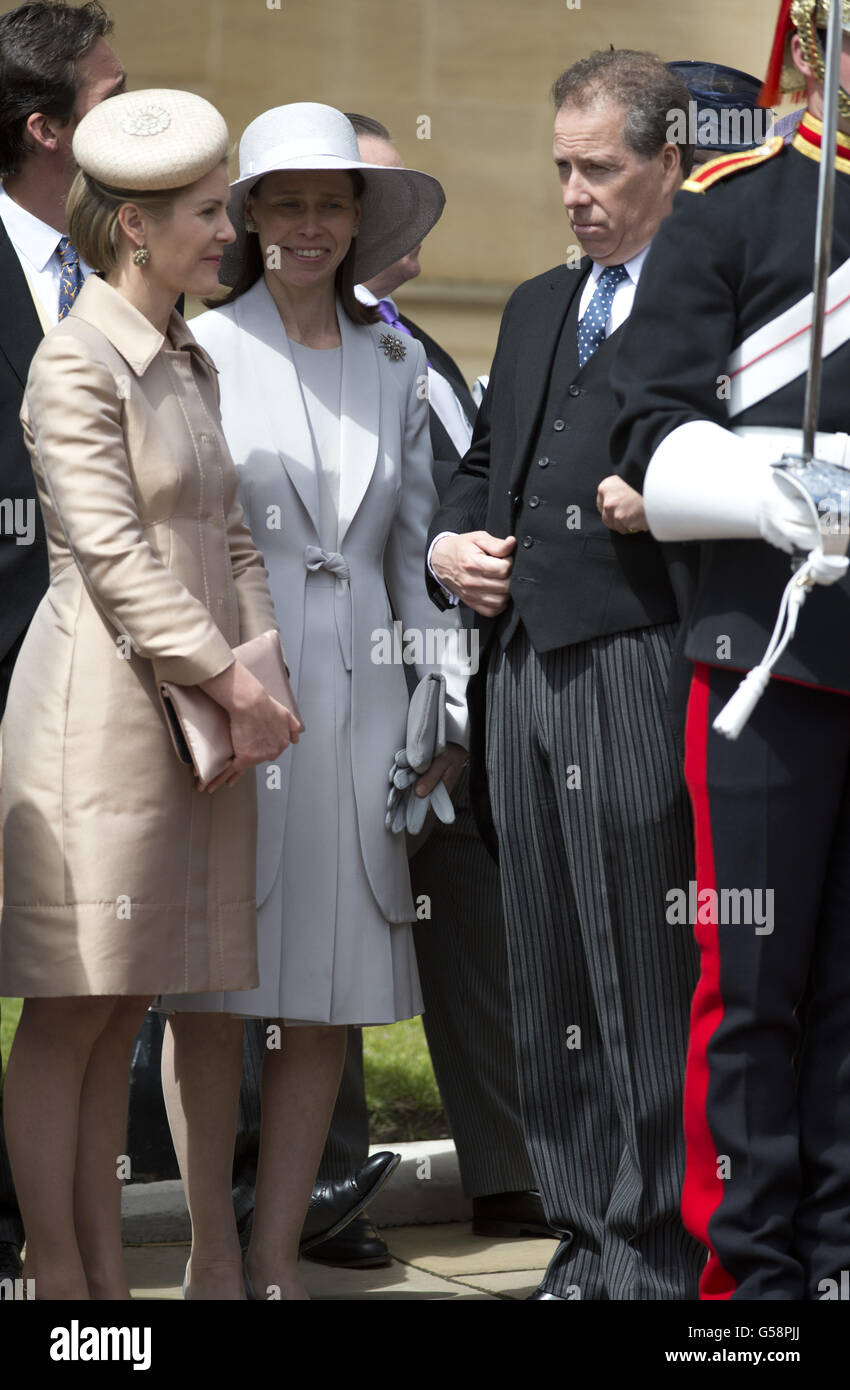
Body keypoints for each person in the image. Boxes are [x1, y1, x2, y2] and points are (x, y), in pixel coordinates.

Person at [157, 102, 470, 1302]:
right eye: (283, 202)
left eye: (329, 203)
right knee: (213, 993)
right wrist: (212, 686)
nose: (308, 225)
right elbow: (179, 544)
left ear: (359, 218)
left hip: (369, 710)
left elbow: (411, 557)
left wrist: (442, 706)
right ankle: (211, 1257)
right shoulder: (200, 347)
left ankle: (280, 1260)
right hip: (242, 694)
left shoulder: (395, 358)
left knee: (329, 1001)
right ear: (246, 217)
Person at [0, 86, 298, 1301]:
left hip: (192, 711)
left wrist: (262, 669)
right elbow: (114, 556)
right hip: (101, 717)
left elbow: (228, 534)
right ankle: (62, 1280)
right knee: (74, 1005)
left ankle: (107, 1288)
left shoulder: (184, 354)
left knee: (125, 1005)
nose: (230, 231)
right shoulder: (77, 361)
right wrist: (228, 678)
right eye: (209, 212)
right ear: (135, 227)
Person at [427, 50, 705, 1301]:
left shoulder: (714, 298)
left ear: (668, 164)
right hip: (520, 675)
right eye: (561, 168)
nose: (575, 193)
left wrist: (670, 499)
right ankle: (583, 1234)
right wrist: (447, 543)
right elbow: (484, 459)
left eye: (600, 168)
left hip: (637, 665)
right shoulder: (542, 301)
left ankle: (654, 1242)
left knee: (638, 964)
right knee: (546, 965)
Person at [609, 0, 850, 1301]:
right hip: (768, 646)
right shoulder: (736, 204)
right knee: (751, 978)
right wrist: (767, 491)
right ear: (810, 49)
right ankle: (747, 1266)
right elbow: (648, 422)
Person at [300, 112, 544, 1272]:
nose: (387, 218)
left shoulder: (410, 343)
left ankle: (509, 1168)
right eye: (361, 197)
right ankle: (317, 1187)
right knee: (321, 929)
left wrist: (443, 689)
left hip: (442, 681)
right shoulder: (279, 345)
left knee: (469, 913)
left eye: (374, 197)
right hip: (333, 679)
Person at [0, 0, 125, 1286]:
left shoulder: (139, 275)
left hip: (108, 703)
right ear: (46, 130)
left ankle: (76, 1281)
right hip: (10, 692)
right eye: (112, 96)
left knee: (94, 987)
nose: (139, 116)